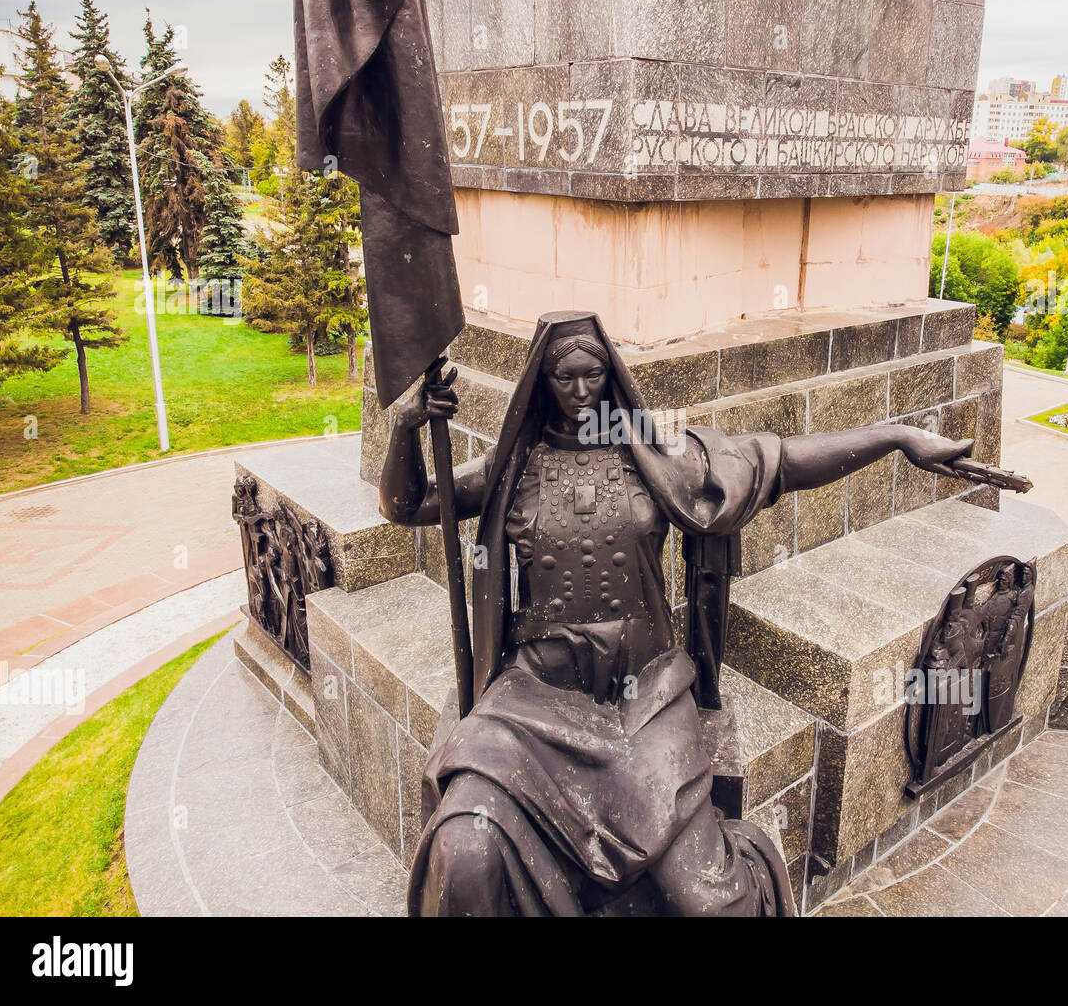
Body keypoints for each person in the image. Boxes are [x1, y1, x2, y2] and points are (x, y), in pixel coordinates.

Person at [380, 310, 974, 916]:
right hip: (533, 703)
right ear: (542, 382)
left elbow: (782, 462)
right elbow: (413, 504)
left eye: (594, 376)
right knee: (464, 851)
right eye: (566, 379)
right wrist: (406, 428)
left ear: (611, 377)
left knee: (707, 903)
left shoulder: (659, 459)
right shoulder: (514, 470)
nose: (582, 393)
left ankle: (750, 876)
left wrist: (897, 438)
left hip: (644, 703)